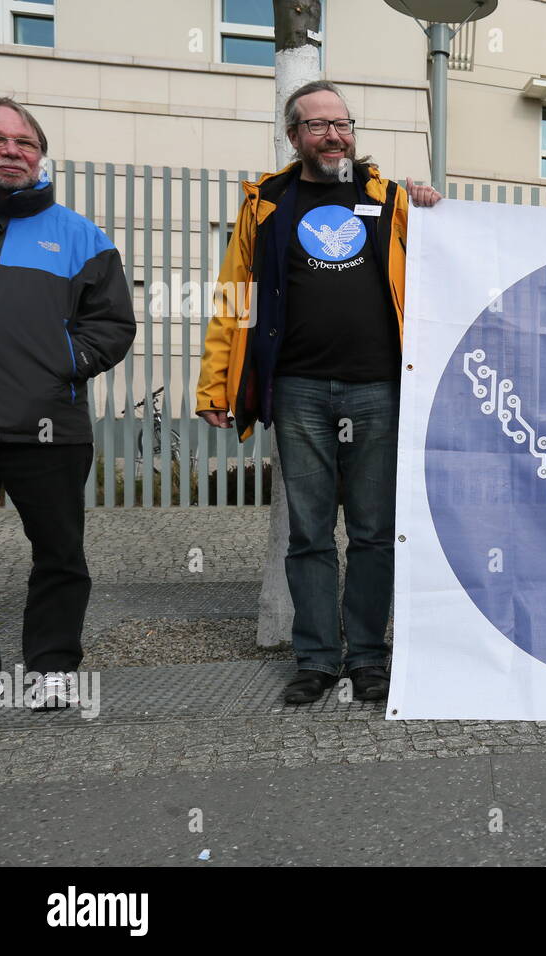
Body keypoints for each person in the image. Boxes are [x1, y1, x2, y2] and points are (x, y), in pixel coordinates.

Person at [196, 81, 440, 705]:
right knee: (307, 533)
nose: (334, 135)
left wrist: (432, 204)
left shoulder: (389, 199)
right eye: (318, 126)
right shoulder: (268, 203)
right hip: (298, 390)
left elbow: (448, 257)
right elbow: (234, 298)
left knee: (373, 533)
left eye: (343, 124)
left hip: (381, 390)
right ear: (294, 136)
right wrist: (216, 382)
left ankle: (368, 658)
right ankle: (316, 660)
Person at [0, 98, 135, 709]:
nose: (12, 151)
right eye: (0, 140)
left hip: (47, 424)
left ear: (41, 155)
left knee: (58, 551)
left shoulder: (79, 235)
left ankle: (50, 668)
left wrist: (63, 366)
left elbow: (111, 324)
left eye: (25, 143)